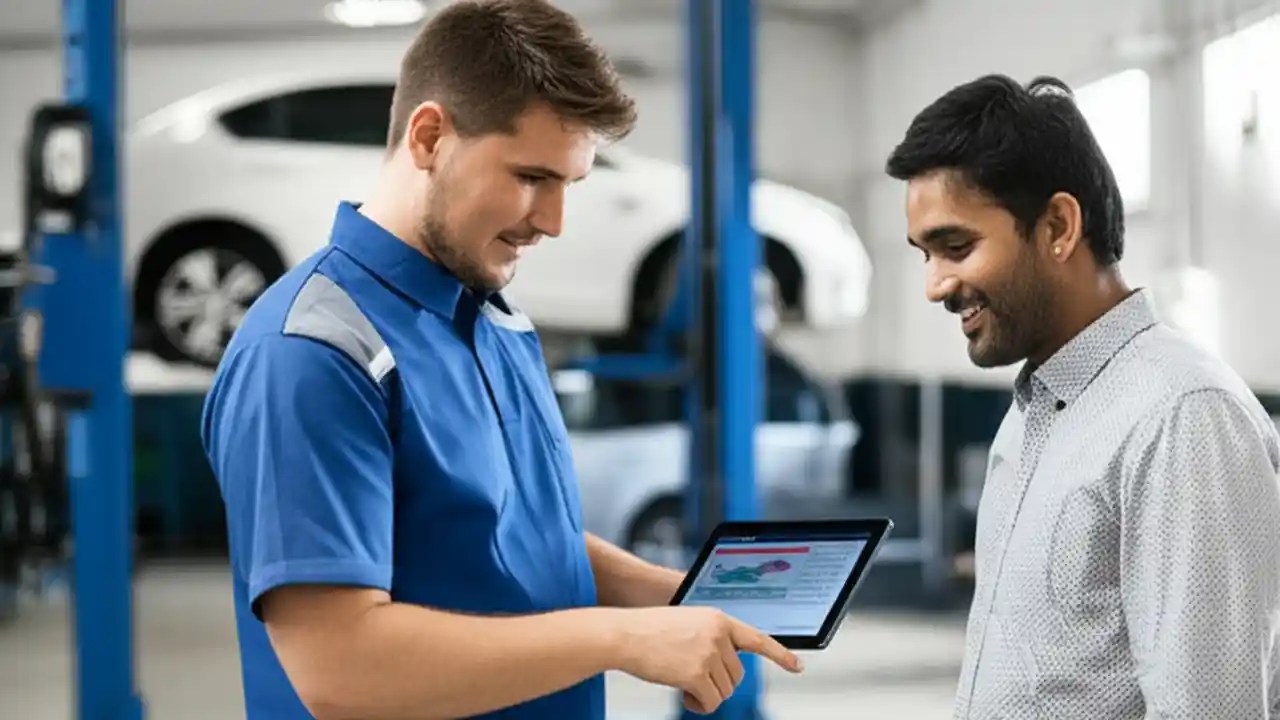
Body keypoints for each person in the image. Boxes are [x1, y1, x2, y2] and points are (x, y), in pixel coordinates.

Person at [200, 2, 802, 718]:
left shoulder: (492, 314)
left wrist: (670, 596)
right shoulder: (310, 353)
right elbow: (341, 667)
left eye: (568, 187)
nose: (552, 221)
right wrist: (619, 637)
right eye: (530, 178)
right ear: (429, 137)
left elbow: (503, 526)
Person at [885, 74, 1280, 719]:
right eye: (924, 255)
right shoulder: (1031, 414)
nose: (935, 285)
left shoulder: (1183, 416)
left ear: (1059, 227)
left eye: (956, 247)